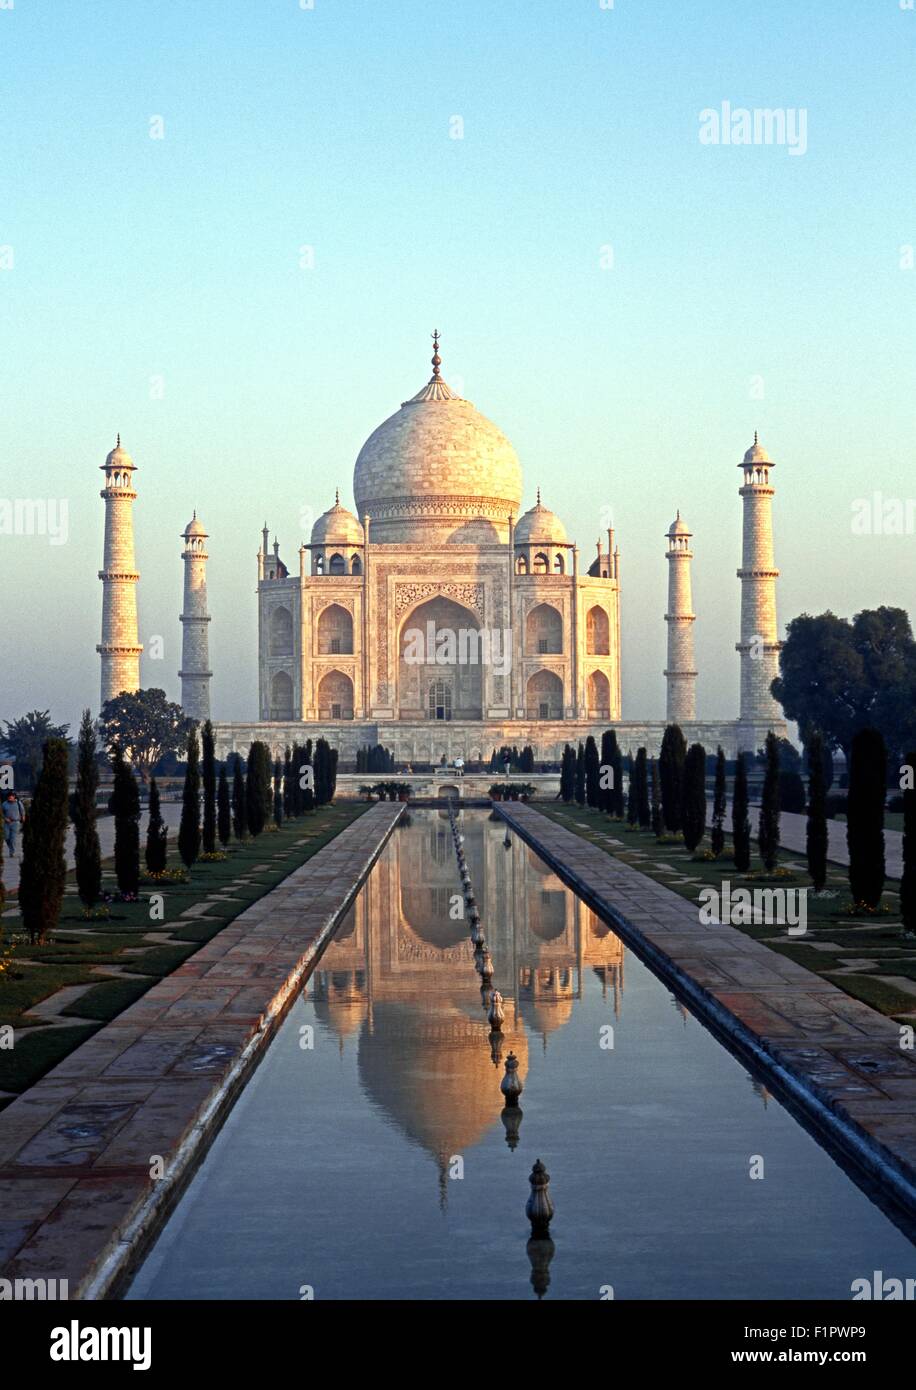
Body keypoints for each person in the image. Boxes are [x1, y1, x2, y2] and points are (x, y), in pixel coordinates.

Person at [2, 791, 25, 857]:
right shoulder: (4, 804)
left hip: (16, 823)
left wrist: (23, 817)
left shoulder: (18, 803)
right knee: (6, 837)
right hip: (6, 823)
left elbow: (22, 811)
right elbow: (2, 813)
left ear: (14, 797)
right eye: (8, 797)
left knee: (13, 838)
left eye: (11, 797)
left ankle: (12, 852)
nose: (9, 798)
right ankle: (11, 848)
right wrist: (5, 818)